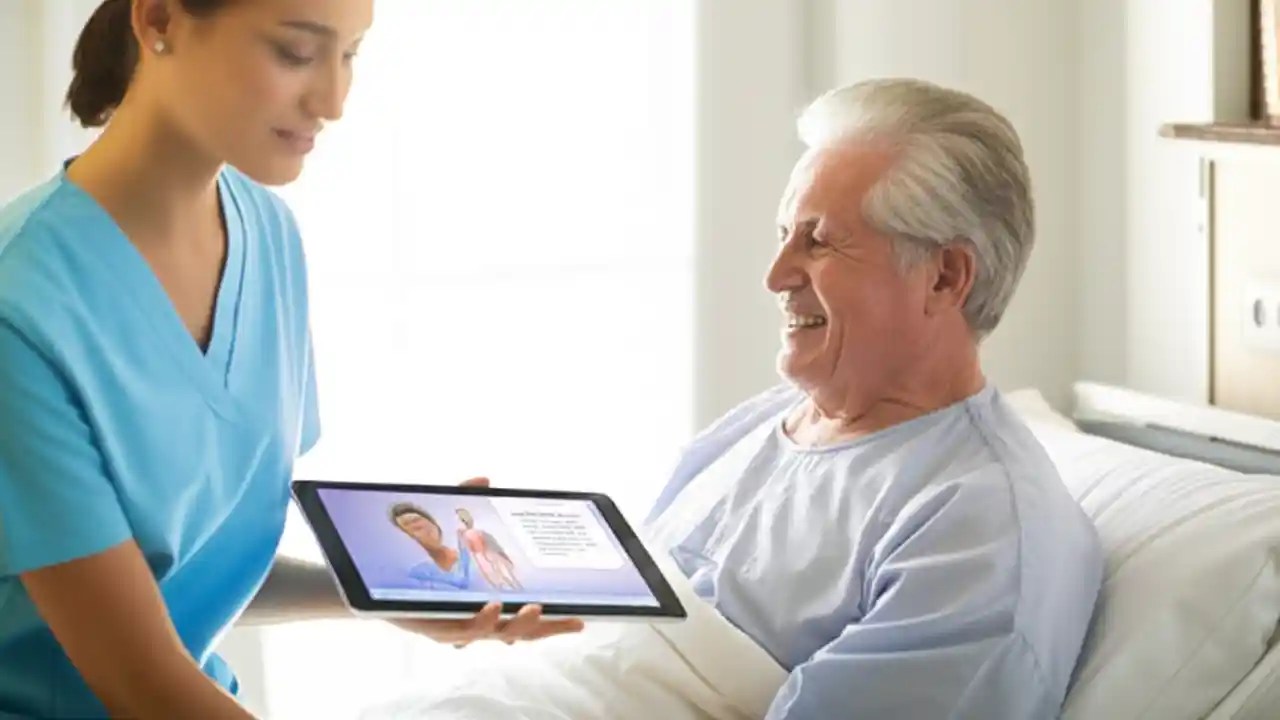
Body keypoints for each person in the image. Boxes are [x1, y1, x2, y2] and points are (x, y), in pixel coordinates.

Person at [0, 1, 579, 718]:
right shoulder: (20, 310)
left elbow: (190, 570)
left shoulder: (265, 233)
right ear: (160, 22)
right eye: (296, 54)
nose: (333, 101)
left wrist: (392, 588)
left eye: (351, 55)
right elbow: (141, 682)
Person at [641, 78, 1105, 719]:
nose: (775, 275)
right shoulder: (758, 425)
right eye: (783, 234)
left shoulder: (979, 534)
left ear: (944, 277)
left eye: (820, 240)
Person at [390, 503, 476, 590]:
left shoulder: (469, 555)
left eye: (416, 520)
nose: (415, 528)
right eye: (406, 526)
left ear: (433, 523)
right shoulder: (418, 572)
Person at [455, 508, 523, 591]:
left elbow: (491, 544)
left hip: (489, 555)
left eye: (458, 520)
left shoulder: (475, 532)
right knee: (495, 580)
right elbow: (464, 550)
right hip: (481, 558)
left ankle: (517, 590)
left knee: (505, 576)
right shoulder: (463, 534)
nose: (456, 523)